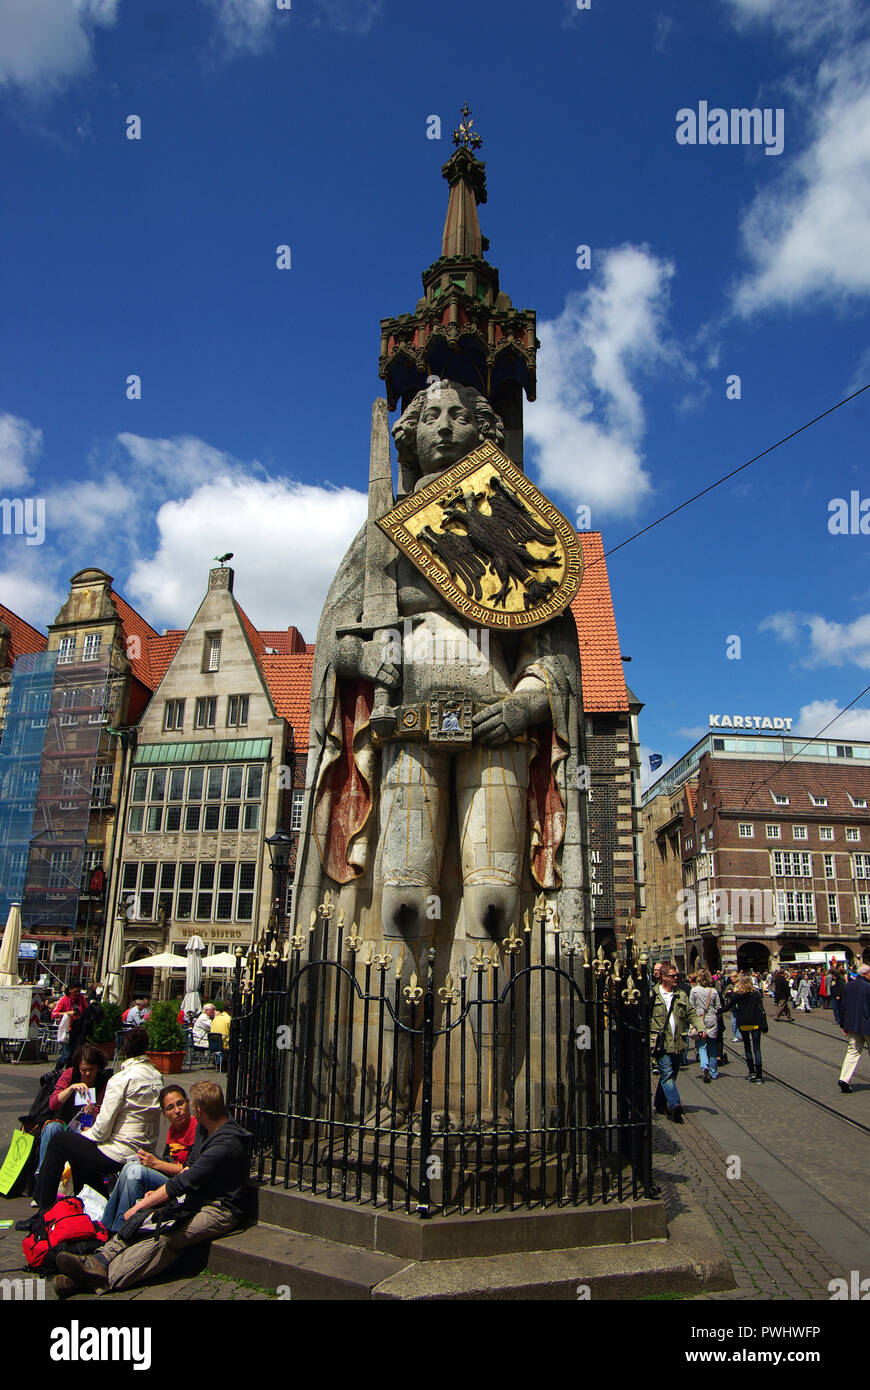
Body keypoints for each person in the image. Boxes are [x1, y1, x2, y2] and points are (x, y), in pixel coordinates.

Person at [54, 1081, 252, 1296]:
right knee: (147, 1218)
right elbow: (189, 1169)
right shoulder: (205, 1128)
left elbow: (186, 1179)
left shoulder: (226, 1143)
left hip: (219, 1209)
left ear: (198, 1110)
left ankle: (99, 1280)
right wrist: (150, 1203)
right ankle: (98, 1259)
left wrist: (147, 1201)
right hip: (197, 1196)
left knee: (164, 1235)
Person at [31, 1028, 162, 1212]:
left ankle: (44, 1213)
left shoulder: (121, 1079)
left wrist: (86, 1133)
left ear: (123, 1049)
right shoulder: (157, 1077)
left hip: (120, 1152)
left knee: (59, 1141)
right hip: (145, 1149)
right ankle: (99, 1208)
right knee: (78, 1155)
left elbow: (101, 1130)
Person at [100, 1085, 198, 1232]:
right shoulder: (173, 1130)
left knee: (135, 1173)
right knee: (129, 1166)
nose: (177, 1111)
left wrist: (156, 1164)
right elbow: (168, 1160)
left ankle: (120, 1230)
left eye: (180, 1103)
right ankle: (104, 1227)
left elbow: (189, 1170)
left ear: (188, 1102)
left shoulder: (195, 1127)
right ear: (164, 1114)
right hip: (170, 1179)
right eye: (170, 1108)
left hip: (181, 1186)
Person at [35, 1044, 112, 1176]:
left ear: (98, 1067)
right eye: (84, 1070)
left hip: (89, 1126)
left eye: (91, 1069)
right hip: (65, 1123)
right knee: (52, 1128)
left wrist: (92, 1111)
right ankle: (43, 1173)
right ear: (78, 1067)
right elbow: (53, 1104)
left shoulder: (103, 1080)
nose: (87, 1074)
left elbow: (106, 1111)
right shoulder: (69, 1074)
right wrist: (70, 1089)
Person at [650, 962, 706, 1122]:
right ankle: (675, 1105)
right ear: (663, 977)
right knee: (667, 1073)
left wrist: (700, 1028)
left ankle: (659, 1103)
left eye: (677, 975)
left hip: (678, 1042)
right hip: (660, 1043)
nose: (676, 978)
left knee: (671, 1075)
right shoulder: (652, 994)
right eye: (673, 976)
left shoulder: (681, 994)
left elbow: (692, 1013)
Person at [722, 974, 768, 1082]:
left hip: (743, 1024)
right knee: (757, 1049)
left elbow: (728, 1007)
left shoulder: (738, 995)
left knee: (747, 1047)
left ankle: (751, 1072)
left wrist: (717, 1011)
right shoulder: (756, 994)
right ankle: (759, 1076)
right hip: (755, 1023)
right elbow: (760, 1008)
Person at [837, 963, 870, 1094]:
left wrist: (843, 1024)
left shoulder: (848, 986)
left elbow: (842, 1007)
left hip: (852, 1026)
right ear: (865, 973)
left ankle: (844, 1079)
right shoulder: (868, 987)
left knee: (852, 1052)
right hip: (867, 1025)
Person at [689, 970, 721, 1081]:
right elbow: (718, 1006)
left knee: (701, 1046)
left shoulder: (694, 991)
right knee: (712, 1046)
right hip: (711, 1019)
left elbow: (691, 1006)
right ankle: (714, 1072)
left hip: (699, 1019)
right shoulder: (714, 991)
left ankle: (705, 1065)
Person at [51, 985, 85, 1066]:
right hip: (67, 1030)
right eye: (75, 991)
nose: (77, 994)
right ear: (70, 990)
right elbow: (54, 1014)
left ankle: (68, 1073)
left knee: (74, 1055)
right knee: (66, 1055)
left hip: (77, 1029)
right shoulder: (64, 999)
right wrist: (67, 1013)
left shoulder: (81, 998)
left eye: (79, 992)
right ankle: (57, 1070)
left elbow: (85, 1010)